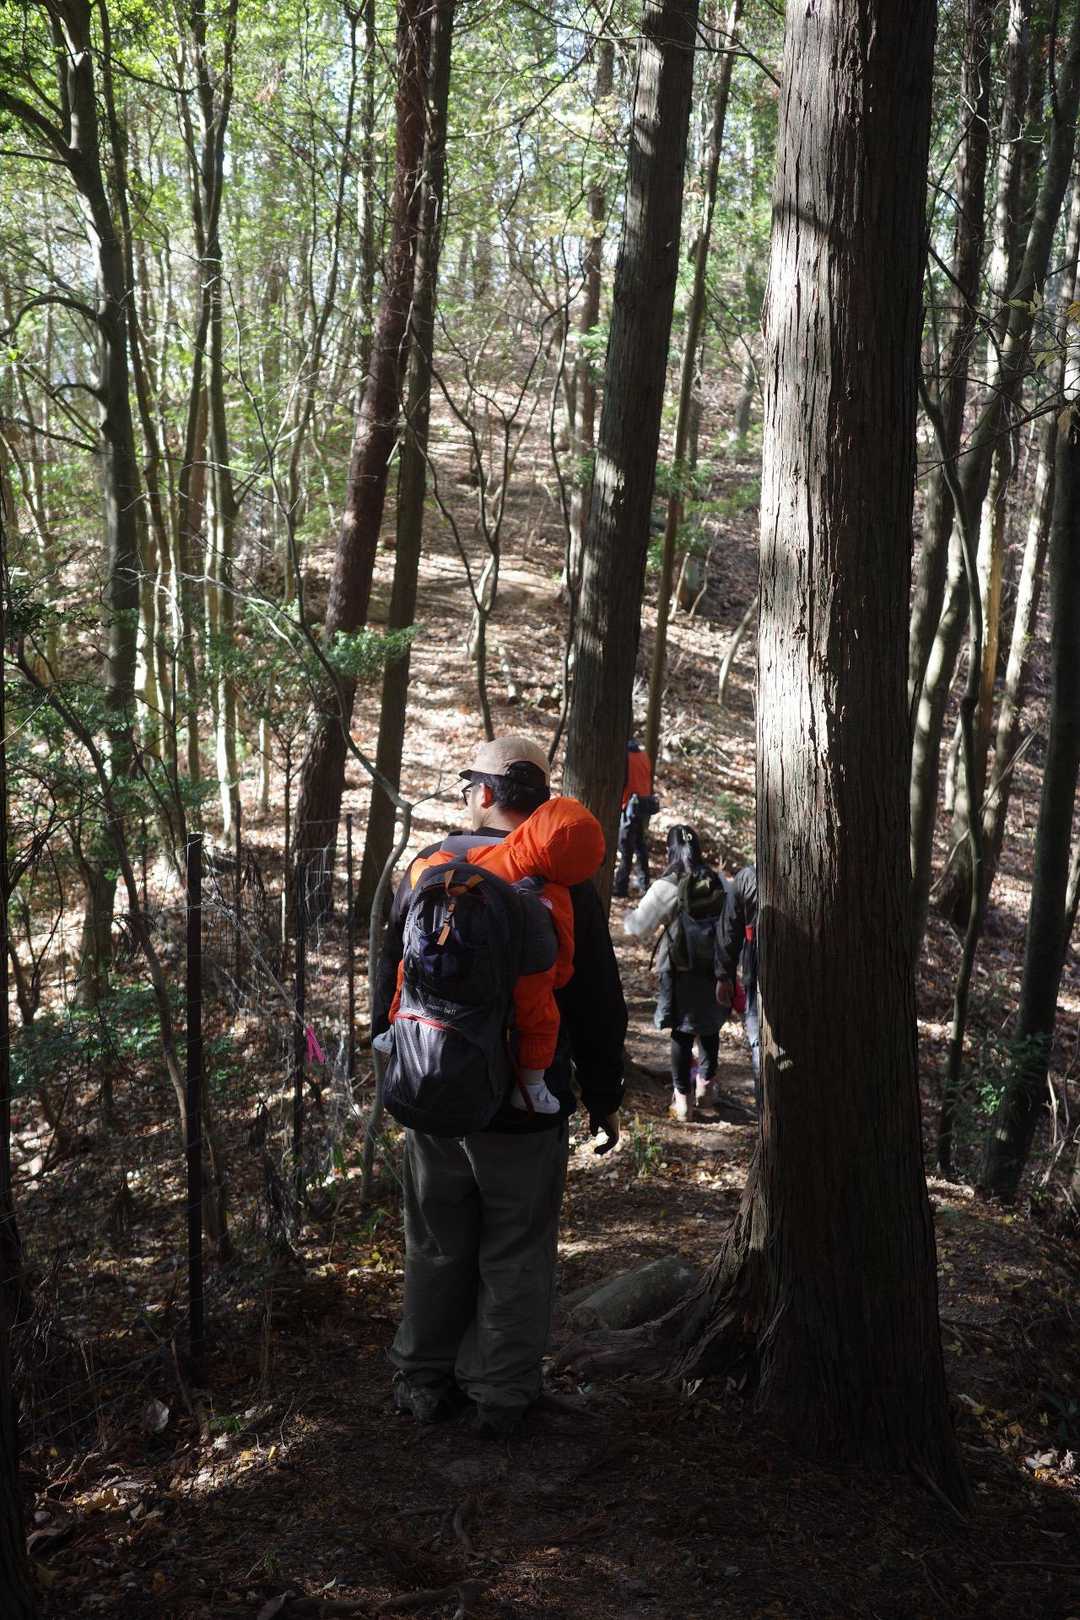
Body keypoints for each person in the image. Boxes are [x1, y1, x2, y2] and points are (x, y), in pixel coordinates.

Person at [372, 735, 627, 1437]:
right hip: (524, 1101)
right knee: (515, 1248)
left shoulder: (428, 865)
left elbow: (388, 970)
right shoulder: (562, 883)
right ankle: (500, 1394)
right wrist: (603, 1094)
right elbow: (598, 1003)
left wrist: (388, 1053)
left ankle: (424, 1378)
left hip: (431, 1091)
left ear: (483, 793)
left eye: (466, 783)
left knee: (436, 1239)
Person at [623, 825, 728, 1122]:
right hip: (712, 966)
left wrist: (625, 918)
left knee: (681, 1032)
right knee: (709, 1029)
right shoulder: (716, 881)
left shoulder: (666, 885)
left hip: (678, 967)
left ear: (671, 850)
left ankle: (682, 1102)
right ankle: (706, 1092)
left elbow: (636, 927)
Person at [715, 862, 760, 1106]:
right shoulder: (747, 879)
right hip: (757, 975)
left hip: (758, 977)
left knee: (760, 1044)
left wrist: (724, 976)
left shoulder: (748, 877)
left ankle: (769, 1110)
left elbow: (729, 929)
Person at [613, 739, 656, 898]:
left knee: (626, 847)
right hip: (643, 806)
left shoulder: (624, 757)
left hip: (630, 806)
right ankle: (644, 884)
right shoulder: (644, 756)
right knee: (640, 846)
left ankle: (621, 886)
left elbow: (622, 782)